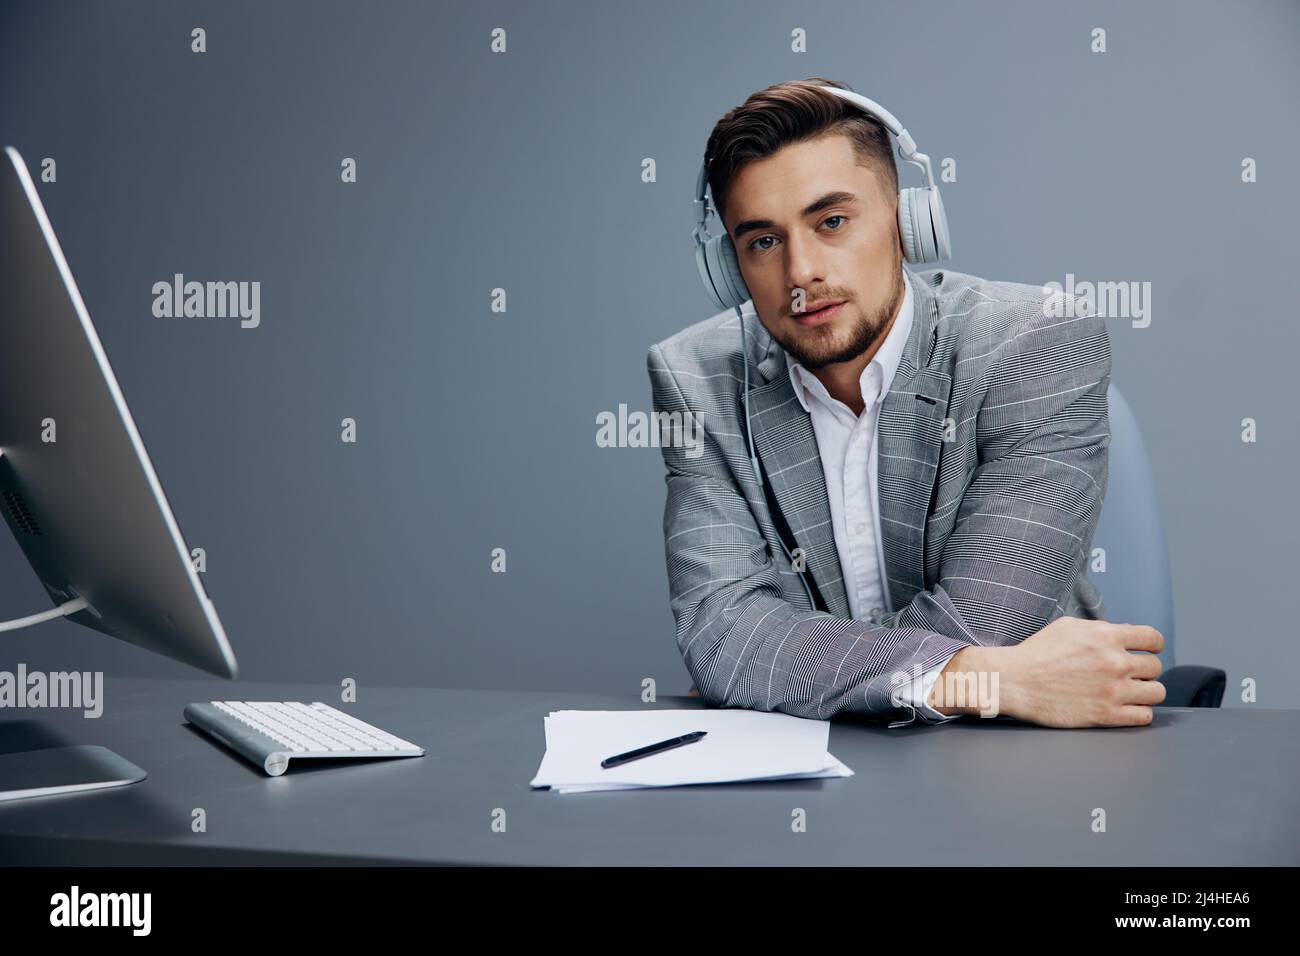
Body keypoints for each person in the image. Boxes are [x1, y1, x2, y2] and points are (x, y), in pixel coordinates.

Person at [648, 77, 1165, 728]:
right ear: (729, 269)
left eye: (831, 221)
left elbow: (985, 624)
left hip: (1014, 749)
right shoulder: (697, 380)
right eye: (762, 241)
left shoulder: (1040, 341)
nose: (801, 271)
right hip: (831, 766)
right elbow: (723, 634)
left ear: (909, 223)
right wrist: (968, 676)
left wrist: (787, 668)